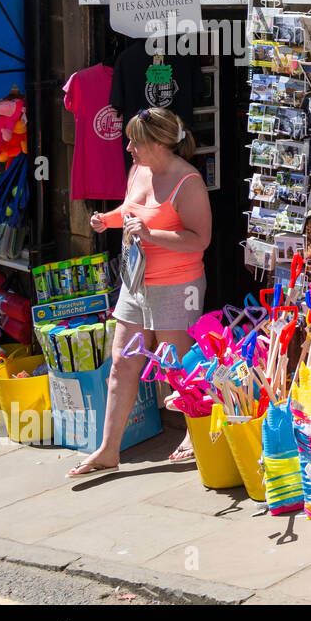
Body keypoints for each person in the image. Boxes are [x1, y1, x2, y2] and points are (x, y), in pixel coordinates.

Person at [69, 107, 212, 476]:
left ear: (158, 143)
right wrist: (107, 220)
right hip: (136, 283)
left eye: (135, 141)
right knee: (122, 362)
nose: (129, 147)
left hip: (178, 286)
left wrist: (150, 235)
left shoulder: (188, 182)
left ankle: (194, 435)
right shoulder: (138, 170)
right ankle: (108, 449)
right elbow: (133, 211)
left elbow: (200, 240)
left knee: (179, 369)